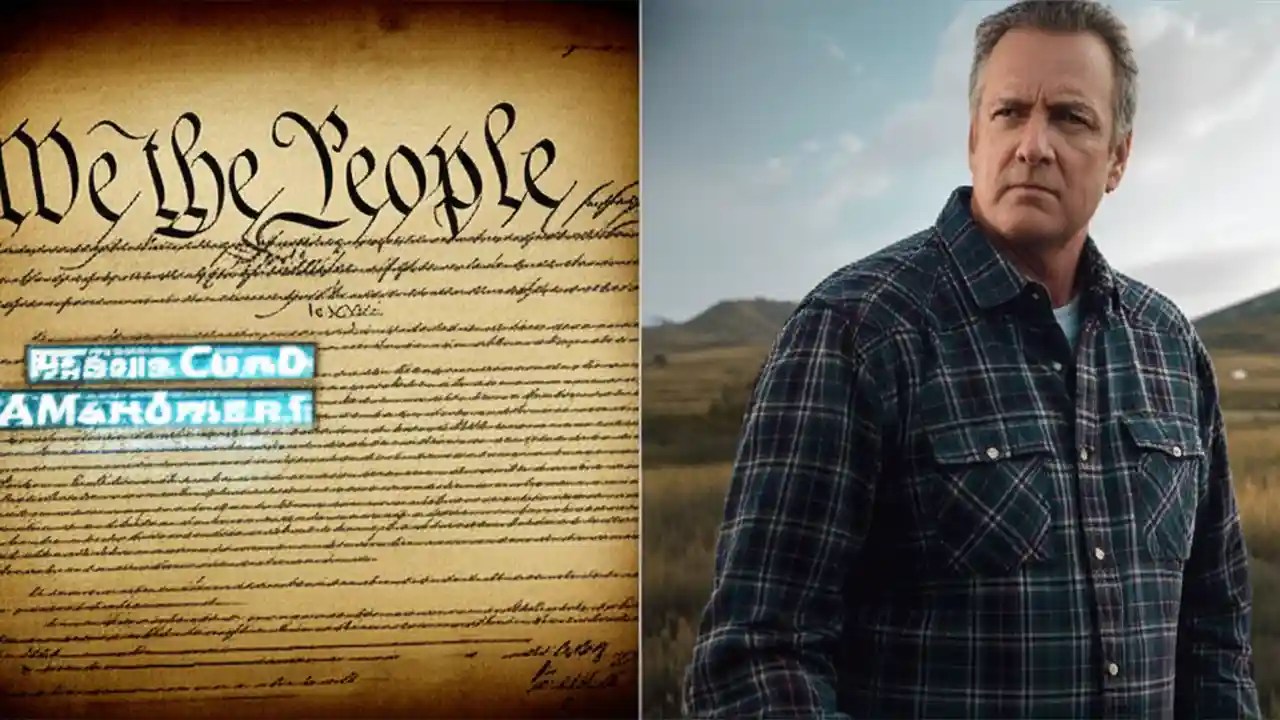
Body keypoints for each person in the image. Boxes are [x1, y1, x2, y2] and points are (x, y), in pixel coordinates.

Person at [681, 1, 1260, 717]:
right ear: (972, 138)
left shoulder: (1170, 348)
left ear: (1118, 158)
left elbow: (1214, 635)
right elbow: (755, 658)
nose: (1033, 145)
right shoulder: (858, 330)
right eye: (1010, 112)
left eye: (1071, 118)